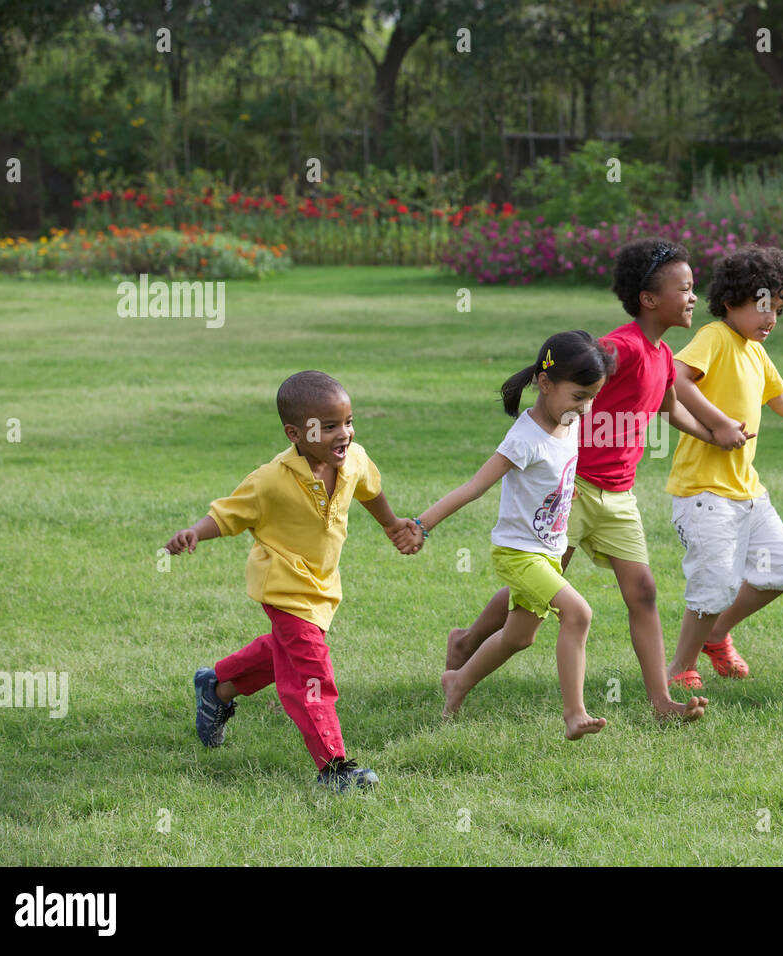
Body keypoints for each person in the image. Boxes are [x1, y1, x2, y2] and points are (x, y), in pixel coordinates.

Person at [444, 239, 726, 722]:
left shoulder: (661, 355)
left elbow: (669, 406)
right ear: (649, 298)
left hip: (619, 496)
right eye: (685, 288)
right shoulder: (621, 347)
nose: (693, 297)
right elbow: (578, 364)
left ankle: (662, 703)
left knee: (643, 593)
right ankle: (468, 643)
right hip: (573, 491)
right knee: (534, 597)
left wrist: (715, 434)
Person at [165, 370, 419, 791]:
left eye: (349, 421)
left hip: (323, 586)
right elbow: (227, 514)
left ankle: (218, 687)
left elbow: (369, 488)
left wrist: (392, 525)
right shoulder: (270, 481)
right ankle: (334, 767)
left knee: (284, 652)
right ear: (295, 432)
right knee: (310, 672)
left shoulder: (352, 459)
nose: (345, 434)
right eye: (331, 426)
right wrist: (194, 532)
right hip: (283, 586)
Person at [664, 245, 783, 690]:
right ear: (732, 302)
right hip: (704, 493)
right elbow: (675, 378)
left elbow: (782, 397)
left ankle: (716, 634)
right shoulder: (715, 337)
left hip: (747, 492)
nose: (772, 319)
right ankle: (678, 668)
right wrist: (716, 425)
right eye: (764, 307)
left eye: (780, 309)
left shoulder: (752, 349)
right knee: (712, 584)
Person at [402, 331, 616, 740]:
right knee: (579, 613)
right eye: (578, 397)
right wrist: (422, 525)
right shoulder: (524, 438)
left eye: (592, 398)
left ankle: (458, 681)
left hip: (548, 551)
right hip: (519, 553)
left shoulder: (566, 423)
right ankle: (575, 714)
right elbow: (474, 487)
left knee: (519, 638)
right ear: (546, 383)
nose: (585, 408)